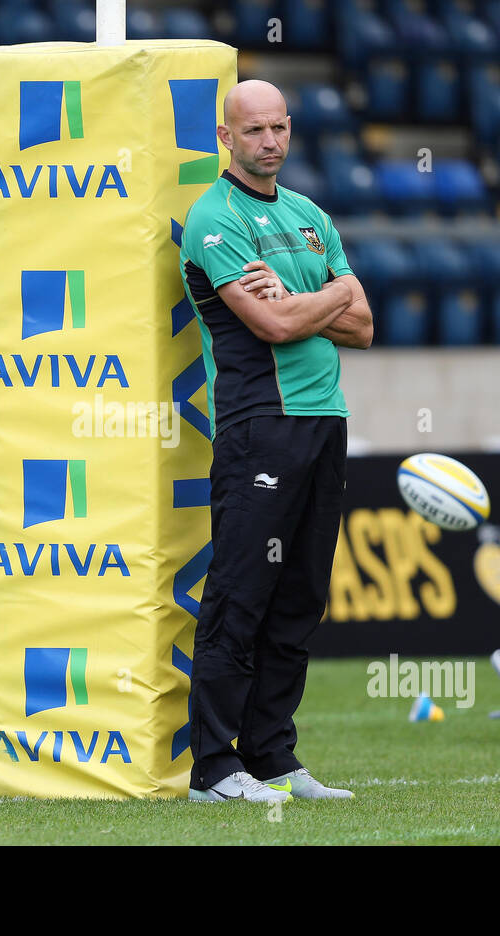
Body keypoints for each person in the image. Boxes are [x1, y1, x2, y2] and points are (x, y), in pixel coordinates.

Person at [179, 80, 373, 803]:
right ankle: (213, 766)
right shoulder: (214, 220)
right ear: (226, 138)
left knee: (300, 597)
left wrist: (302, 301)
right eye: (253, 130)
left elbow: (365, 325)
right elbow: (278, 328)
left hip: (325, 421)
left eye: (279, 128)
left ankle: (272, 755)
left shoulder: (310, 214)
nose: (269, 141)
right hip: (260, 427)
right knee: (240, 594)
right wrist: (326, 297)